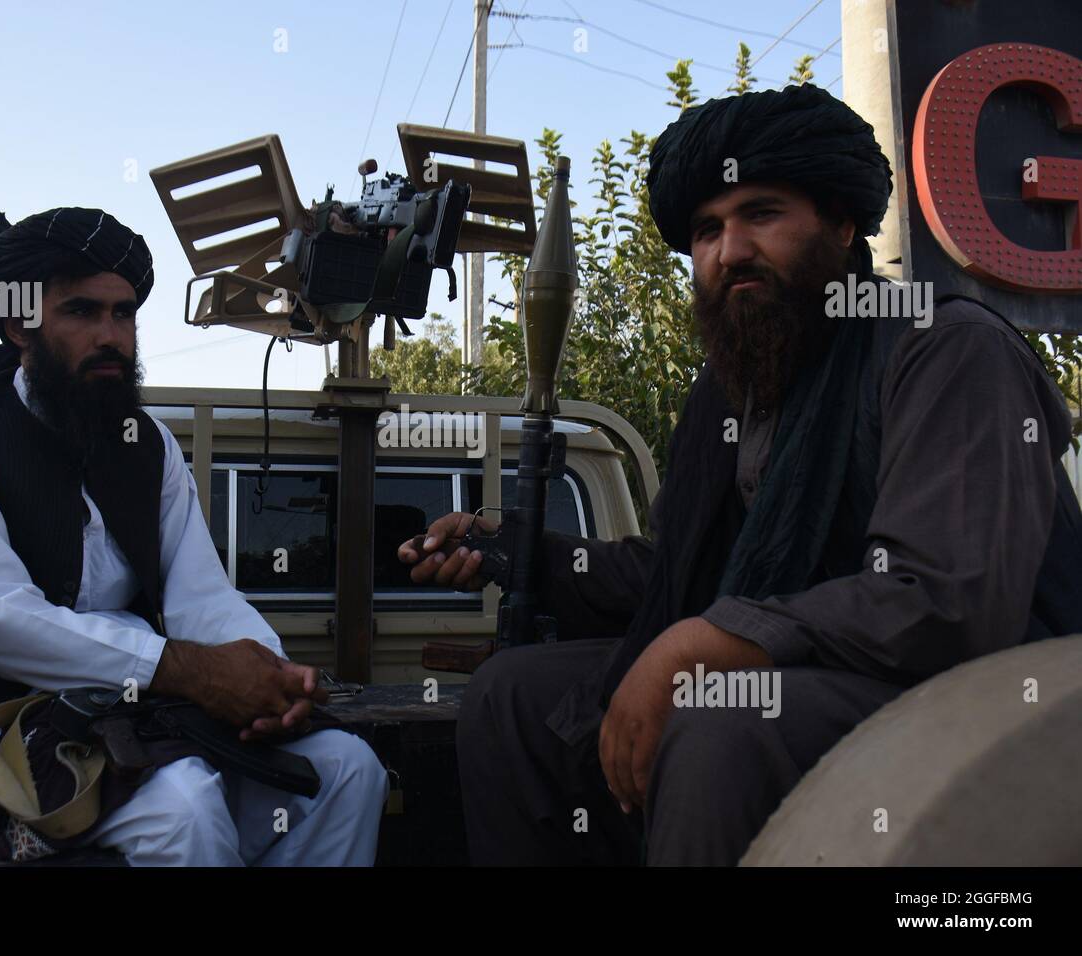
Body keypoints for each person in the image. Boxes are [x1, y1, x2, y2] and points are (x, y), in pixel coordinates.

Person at [399, 84, 1082, 865]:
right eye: (707, 230)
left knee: (718, 723)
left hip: (986, 696)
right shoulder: (740, 389)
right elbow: (680, 577)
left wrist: (702, 646)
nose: (731, 252)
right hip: (822, 673)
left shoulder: (944, 348)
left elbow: (944, 600)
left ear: (842, 223)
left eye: (762, 215)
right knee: (512, 696)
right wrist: (515, 550)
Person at [0, 207, 387, 865]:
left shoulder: (147, 445)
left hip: (141, 717)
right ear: (21, 325)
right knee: (185, 806)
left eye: (125, 314)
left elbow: (202, 598)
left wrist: (267, 678)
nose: (111, 336)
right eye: (82, 312)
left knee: (347, 770)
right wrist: (186, 671)